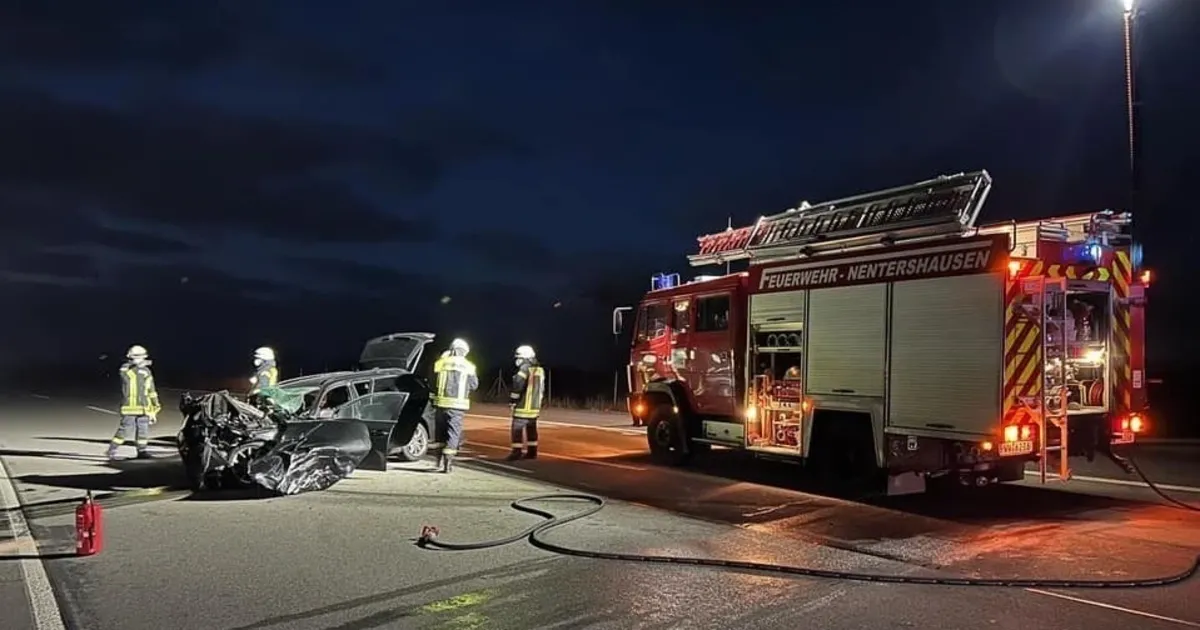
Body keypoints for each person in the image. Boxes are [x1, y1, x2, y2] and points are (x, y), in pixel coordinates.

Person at [429, 338, 478, 473]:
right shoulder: (469, 366)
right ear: (464, 352)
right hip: (457, 407)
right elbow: (474, 385)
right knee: (453, 434)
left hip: (440, 405)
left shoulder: (440, 363)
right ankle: (448, 464)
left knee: (440, 434)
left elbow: (432, 382)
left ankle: (438, 462)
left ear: (452, 349)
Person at [106, 345, 162, 460]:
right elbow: (128, 375)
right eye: (137, 357)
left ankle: (142, 451)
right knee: (125, 429)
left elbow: (151, 389)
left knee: (143, 430)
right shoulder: (125, 369)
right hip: (129, 407)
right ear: (131, 358)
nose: (140, 359)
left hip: (144, 407)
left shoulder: (146, 371)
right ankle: (112, 449)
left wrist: (155, 404)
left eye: (141, 357)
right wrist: (137, 366)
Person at [505, 345, 546, 461]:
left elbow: (518, 383)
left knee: (516, 429)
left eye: (519, 357)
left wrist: (513, 400)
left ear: (525, 357)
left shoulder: (524, 368)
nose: (517, 360)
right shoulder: (539, 370)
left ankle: (516, 452)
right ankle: (532, 452)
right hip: (534, 407)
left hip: (523, 406)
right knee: (531, 429)